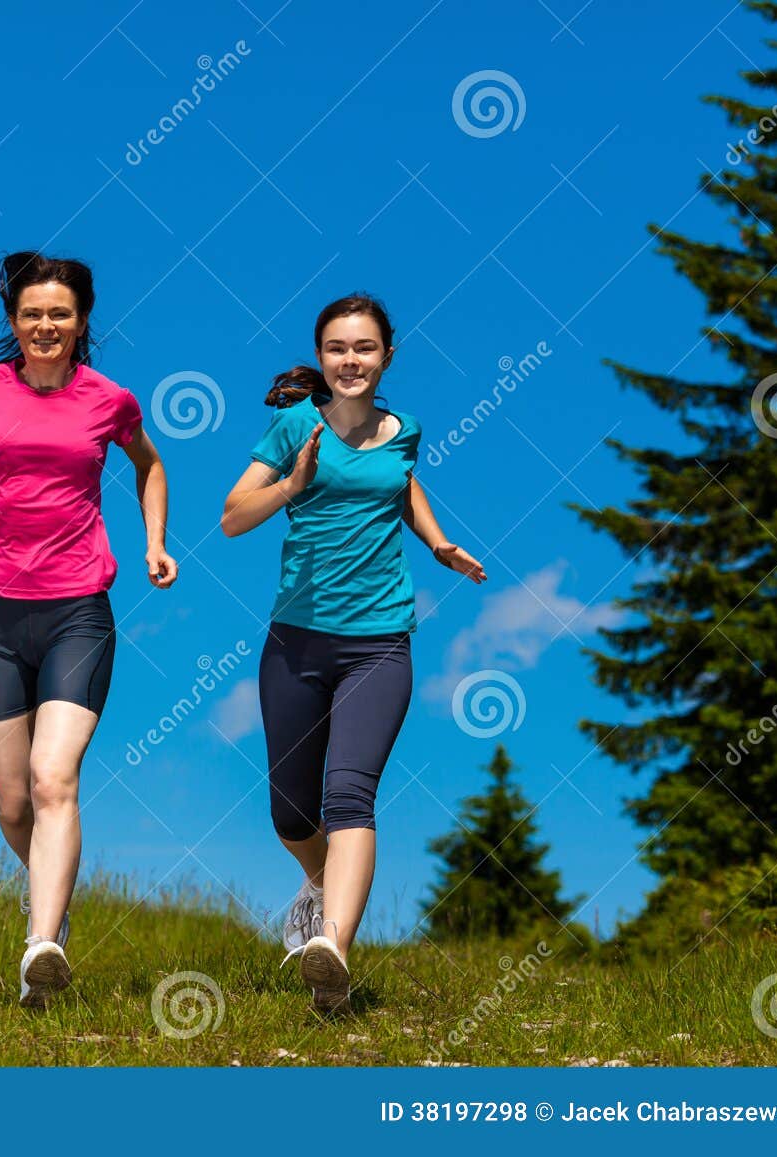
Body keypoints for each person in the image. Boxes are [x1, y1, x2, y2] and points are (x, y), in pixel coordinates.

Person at [0, 251, 177, 1007]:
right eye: (32, 313)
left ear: (82, 320)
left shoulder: (108, 399)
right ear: (13, 322)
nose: (46, 325)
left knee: (53, 777)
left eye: (60, 313)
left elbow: (150, 466)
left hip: (77, 611)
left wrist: (155, 541)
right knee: (12, 805)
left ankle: (42, 943)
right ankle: (52, 910)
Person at [221, 292, 486, 1013]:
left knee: (349, 795)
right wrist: (292, 485)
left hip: (380, 641)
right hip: (296, 640)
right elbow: (231, 518)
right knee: (290, 812)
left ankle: (332, 947)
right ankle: (316, 889)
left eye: (364, 347)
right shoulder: (293, 427)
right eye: (337, 348)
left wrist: (435, 540)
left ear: (386, 355)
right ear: (322, 355)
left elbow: (400, 483)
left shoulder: (406, 429)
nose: (350, 360)